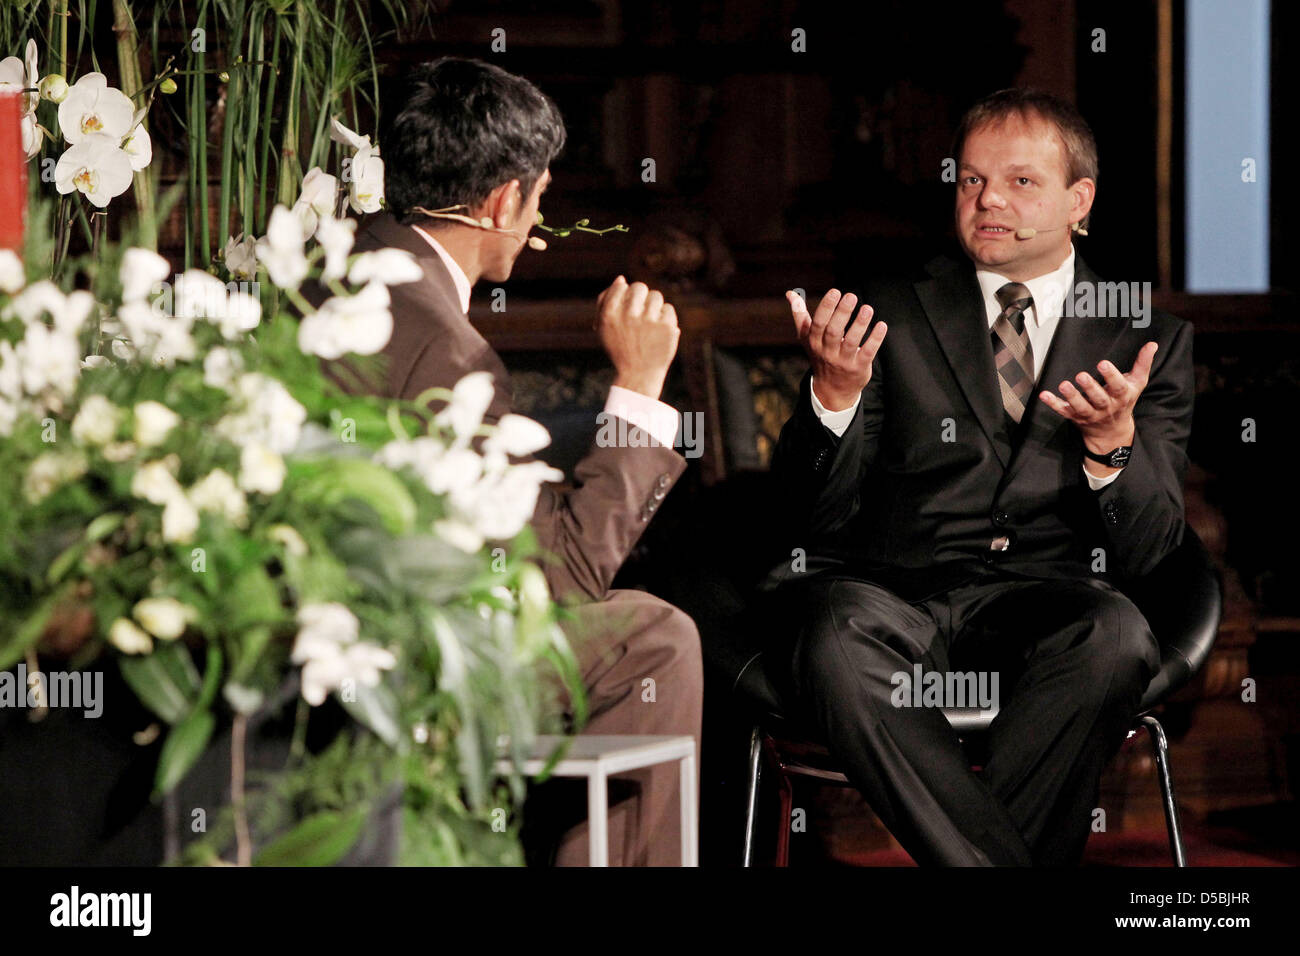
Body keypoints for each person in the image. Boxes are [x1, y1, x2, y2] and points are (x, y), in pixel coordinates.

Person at [766, 88, 1193, 866]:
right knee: (831, 631)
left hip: (1047, 620)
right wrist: (833, 396)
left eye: (1020, 181)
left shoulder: (1145, 336)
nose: (988, 198)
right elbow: (809, 518)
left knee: (1117, 634)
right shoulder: (882, 310)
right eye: (969, 181)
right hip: (897, 610)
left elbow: (1155, 551)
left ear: (1080, 201)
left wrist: (1112, 444)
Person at [328, 57, 702, 866]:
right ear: (503, 201)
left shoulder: (335, 272)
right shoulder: (446, 346)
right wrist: (638, 385)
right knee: (657, 639)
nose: (538, 230)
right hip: (402, 662)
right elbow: (559, 576)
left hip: (325, 630)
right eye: (538, 201)